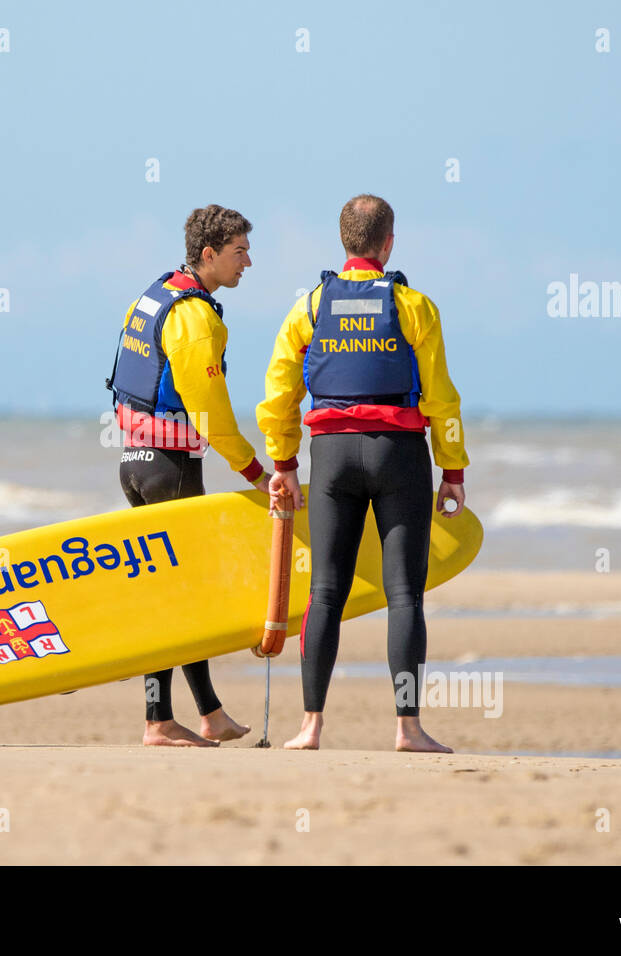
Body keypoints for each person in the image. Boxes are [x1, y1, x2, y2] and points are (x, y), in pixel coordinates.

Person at [256, 194, 470, 752]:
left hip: (330, 457)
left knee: (325, 593)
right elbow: (442, 398)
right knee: (405, 595)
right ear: (388, 243)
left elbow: (279, 392)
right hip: (398, 454)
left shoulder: (307, 307)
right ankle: (408, 728)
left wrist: (283, 464)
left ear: (344, 242)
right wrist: (452, 469)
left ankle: (309, 728)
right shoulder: (414, 306)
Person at [106, 204, 269, 747]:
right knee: (178, 600)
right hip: (170, 469)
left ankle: (210, 713)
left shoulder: (153, 294)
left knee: (180, 592)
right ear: (209, 254)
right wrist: (254, 471)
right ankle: (158, 721)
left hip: (136, 462)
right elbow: (210, 412)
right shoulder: (194, 317)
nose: (248, 262)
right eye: (239, 252)